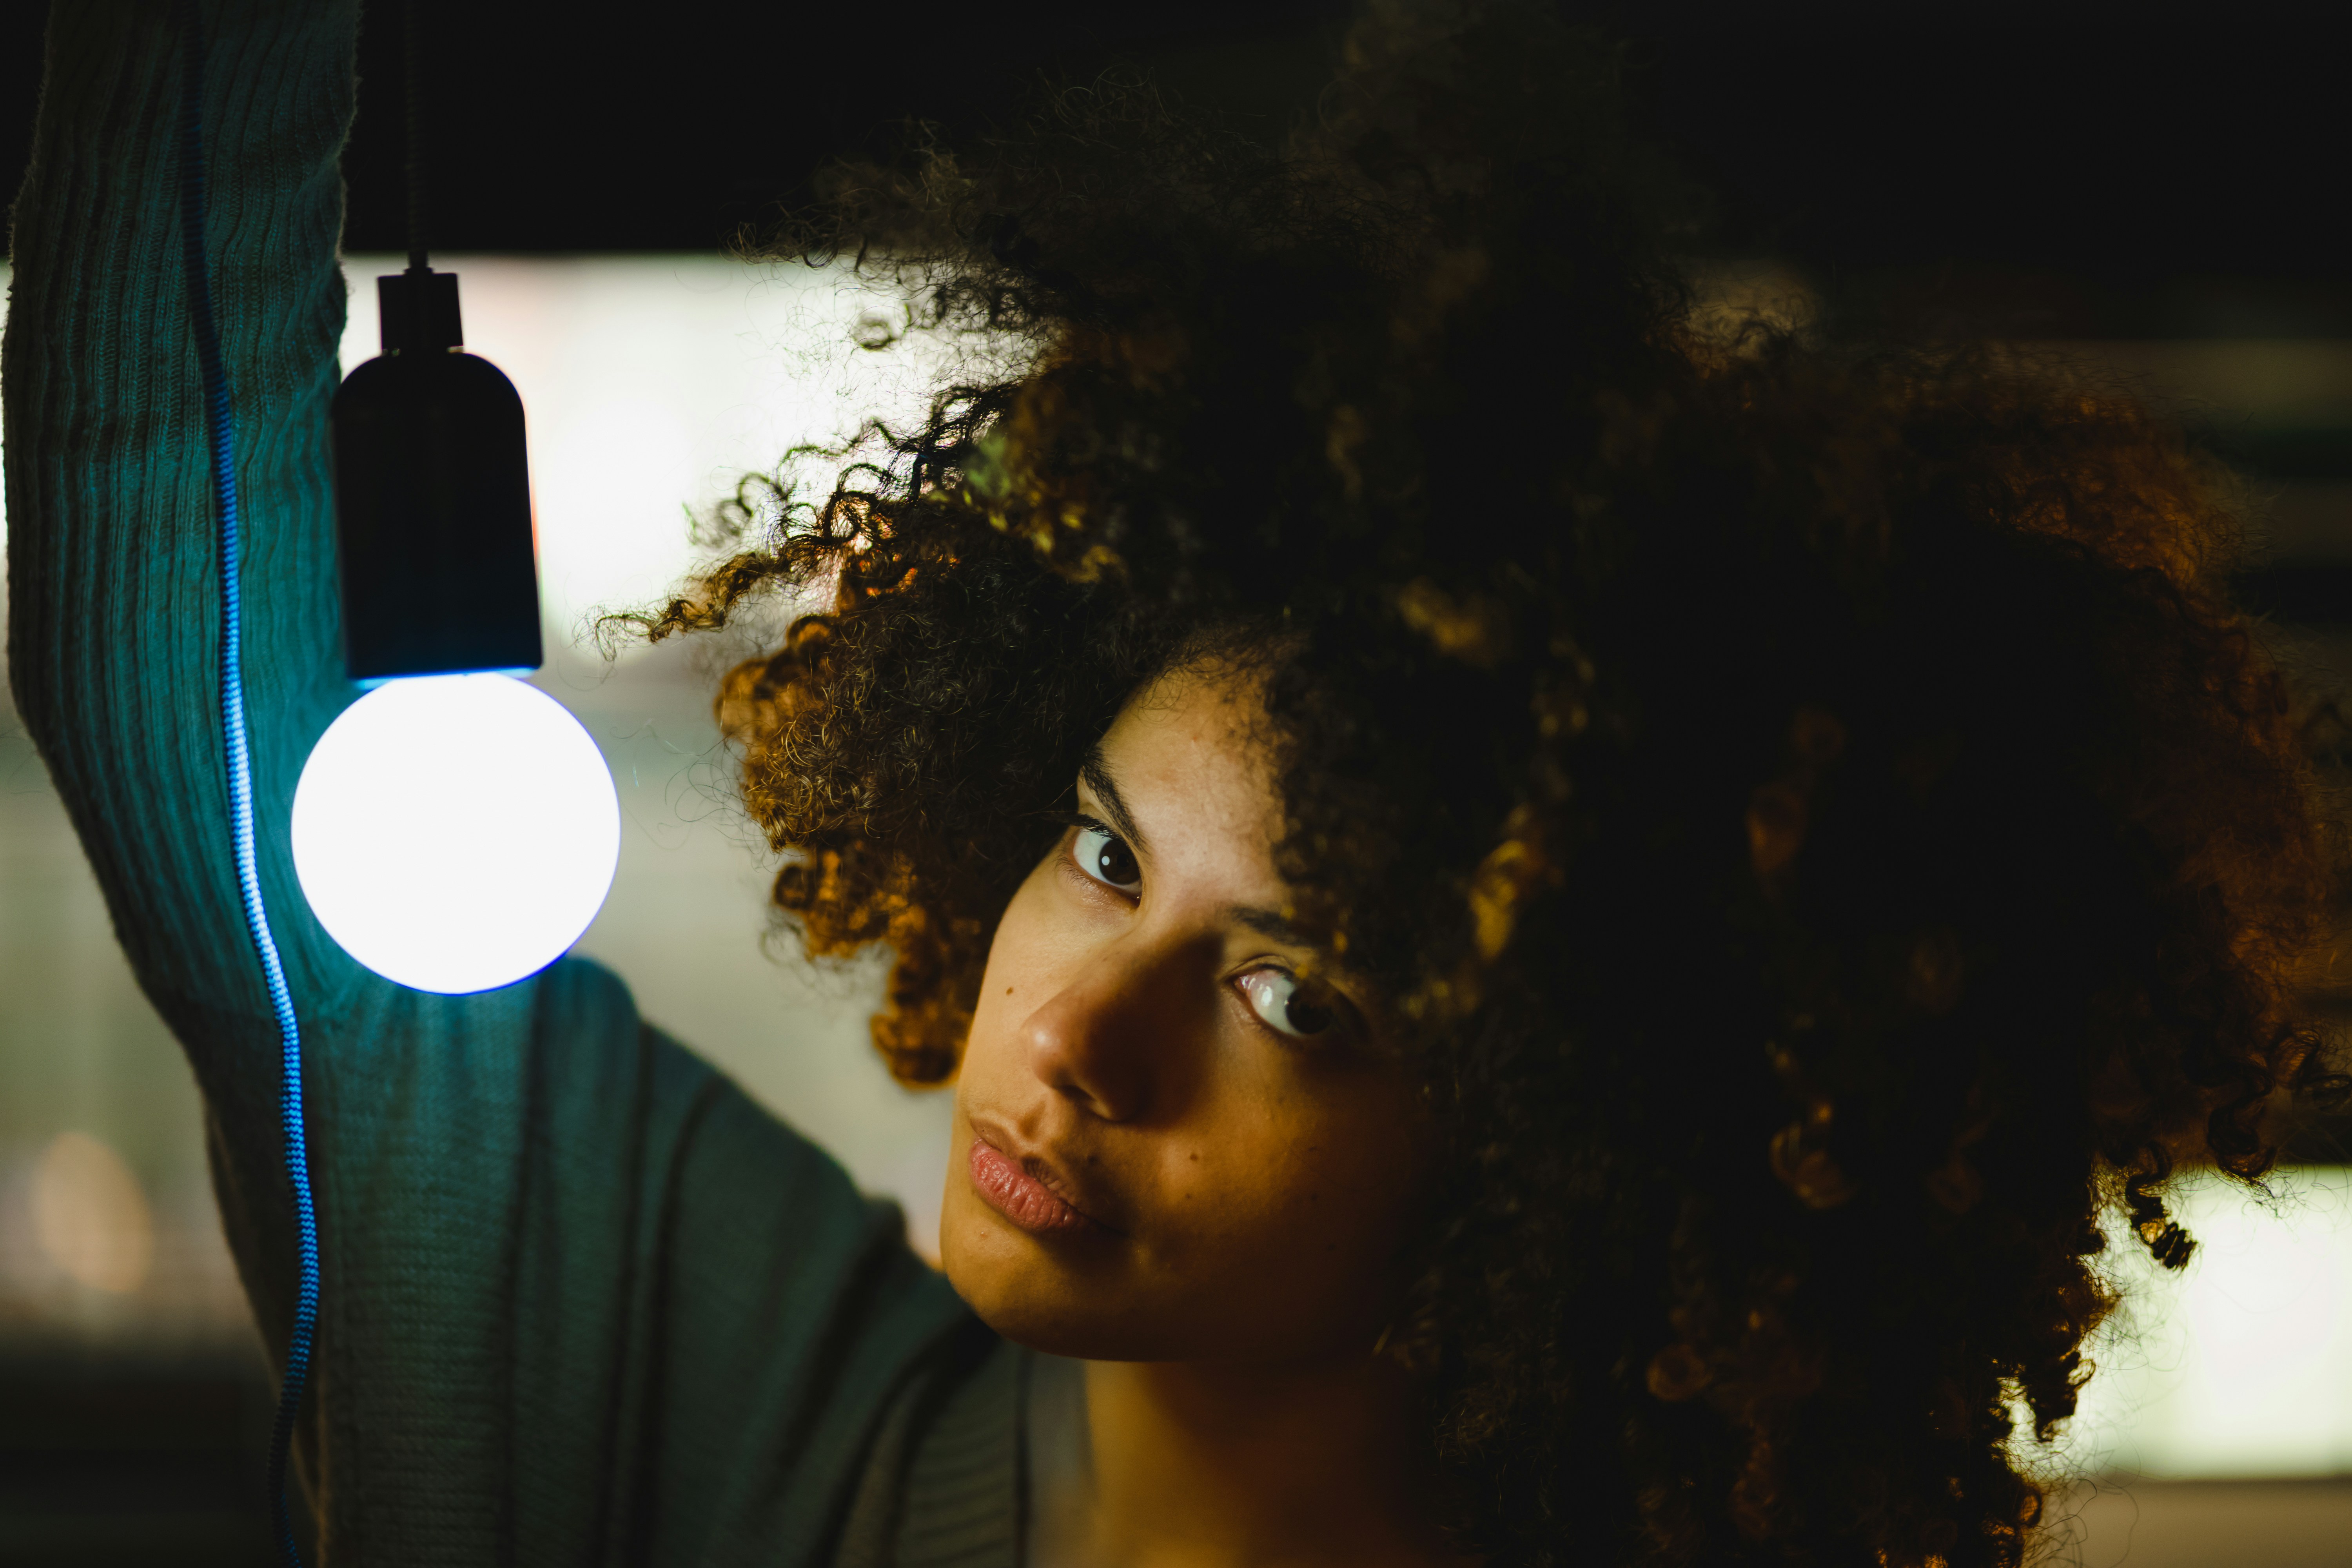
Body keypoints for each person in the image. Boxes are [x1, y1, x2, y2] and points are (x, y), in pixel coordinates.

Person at [9, 1, 2341, 1564]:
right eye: (1106, 851)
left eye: (1298, 994)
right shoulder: (658, 1355)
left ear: (1587, 1144)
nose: (1075, 1037)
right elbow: (172, 668)